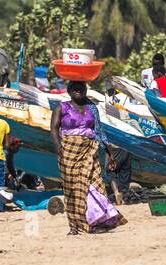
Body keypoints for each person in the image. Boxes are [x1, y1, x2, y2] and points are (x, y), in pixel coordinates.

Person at [49, 80, 124, 234]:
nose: (78, 90)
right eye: (74, 88)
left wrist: (110, 154)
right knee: (73, 189)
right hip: (69, 152)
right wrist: (59, 149)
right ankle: (74, 226)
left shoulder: (92, 108)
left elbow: (99, 131)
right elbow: (54, 129)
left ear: (85, 90)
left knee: (96, 186)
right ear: (69, 91)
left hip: (90, 150)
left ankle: (97, 222)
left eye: (81, 87)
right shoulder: (61, 107)